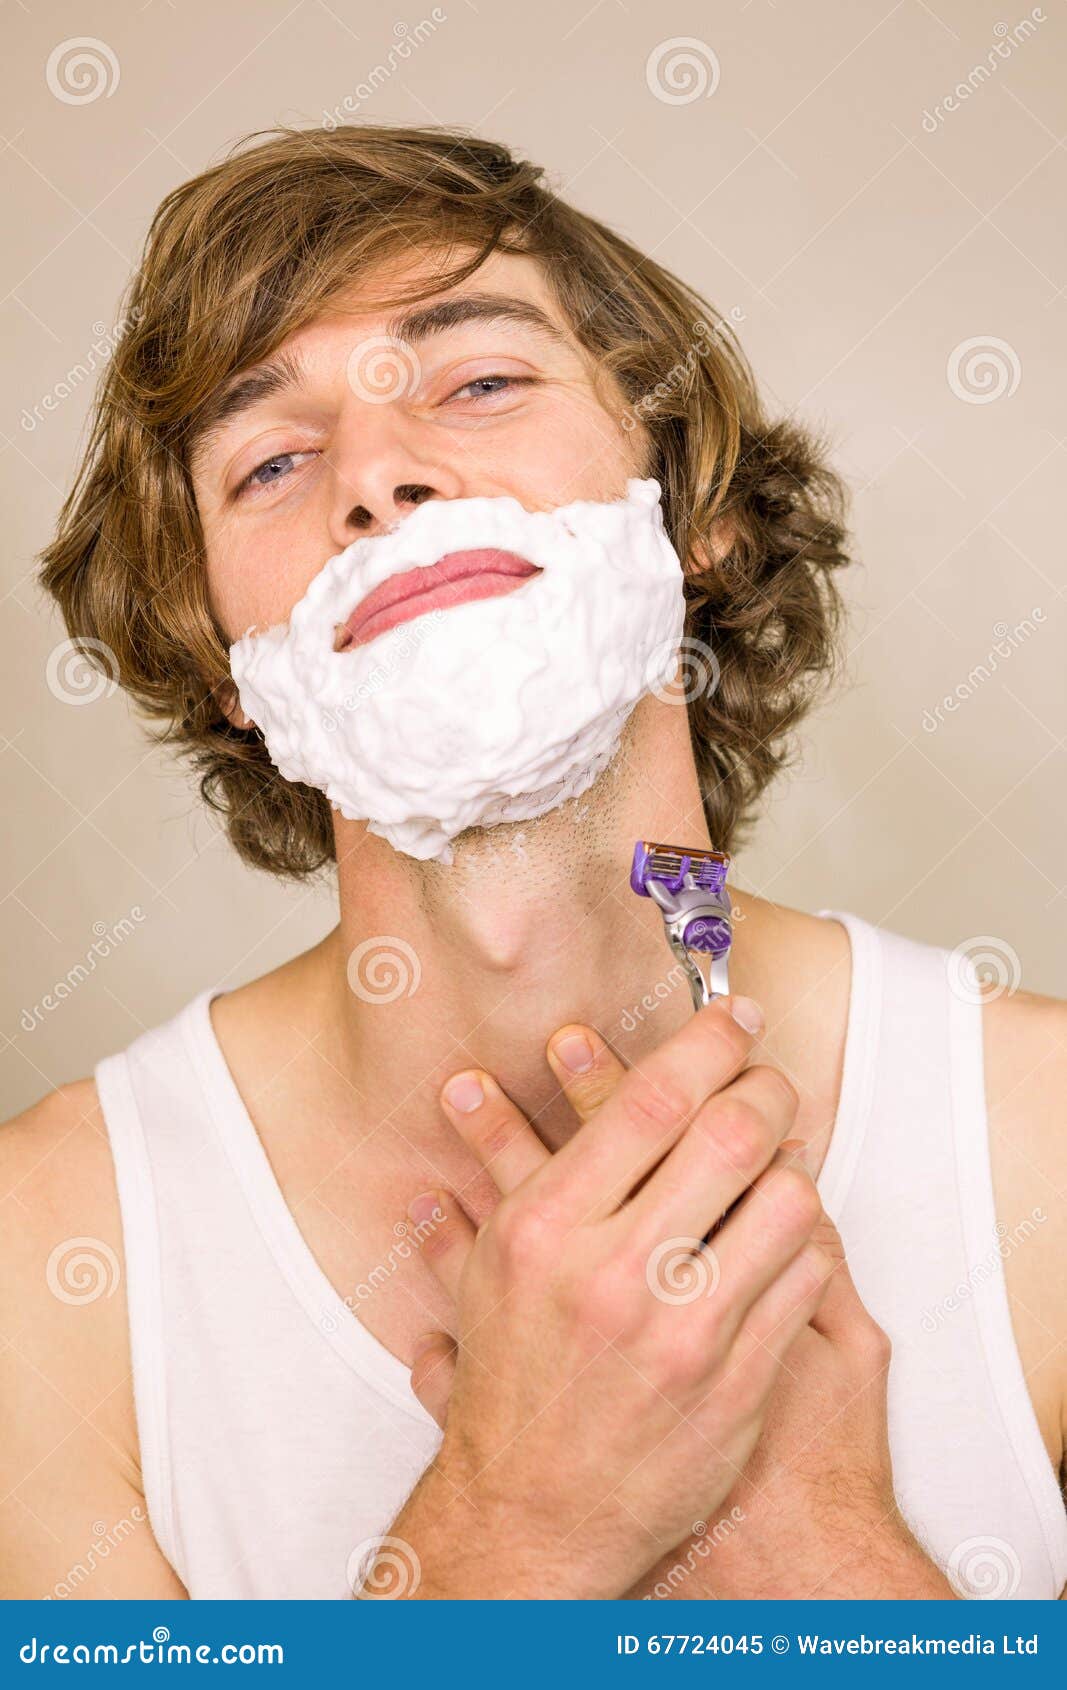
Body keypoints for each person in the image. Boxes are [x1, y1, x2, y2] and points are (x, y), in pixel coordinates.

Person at [4, 124, 1064, 1602]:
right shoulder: (42, 1266)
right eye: (274, 459)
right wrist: (519, 1515)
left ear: (688, 507)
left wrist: (825, 1545)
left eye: (481, 380)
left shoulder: (1046, 1145)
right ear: (227, 660)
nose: (377, 474)